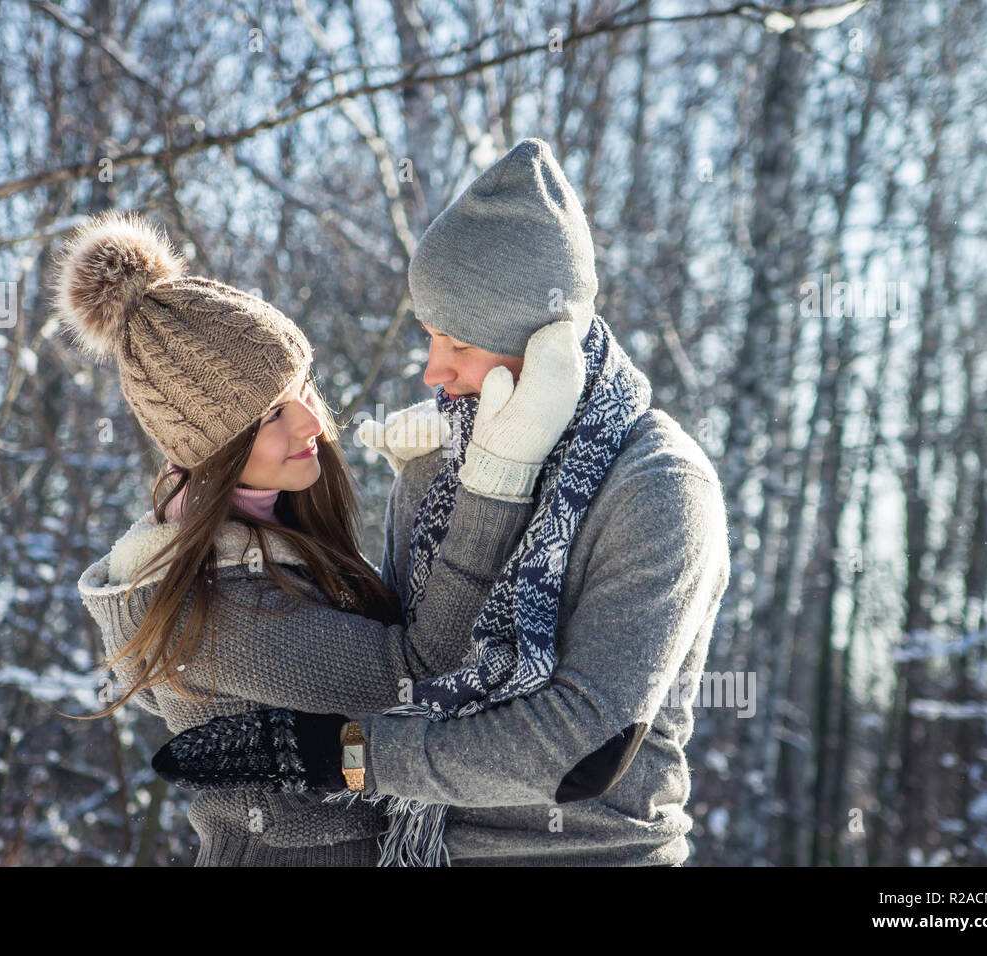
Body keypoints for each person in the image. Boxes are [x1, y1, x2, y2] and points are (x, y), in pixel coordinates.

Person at [151, 138, 733, 867]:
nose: (433, 369)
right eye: (430, 336)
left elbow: (582, 750)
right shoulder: (437, 463)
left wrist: (342, 754)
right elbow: (415, 666)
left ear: (544, 338)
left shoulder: (658, 486)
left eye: (456, 342)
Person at [54, 209, 584, 865]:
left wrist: (431, 479)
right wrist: (494, 480)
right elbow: (420, 680)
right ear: (213, 447)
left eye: (302, 382)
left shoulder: (276, 538)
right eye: (272, 411)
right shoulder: (215, 608)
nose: (310, 417)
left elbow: (389, 635)